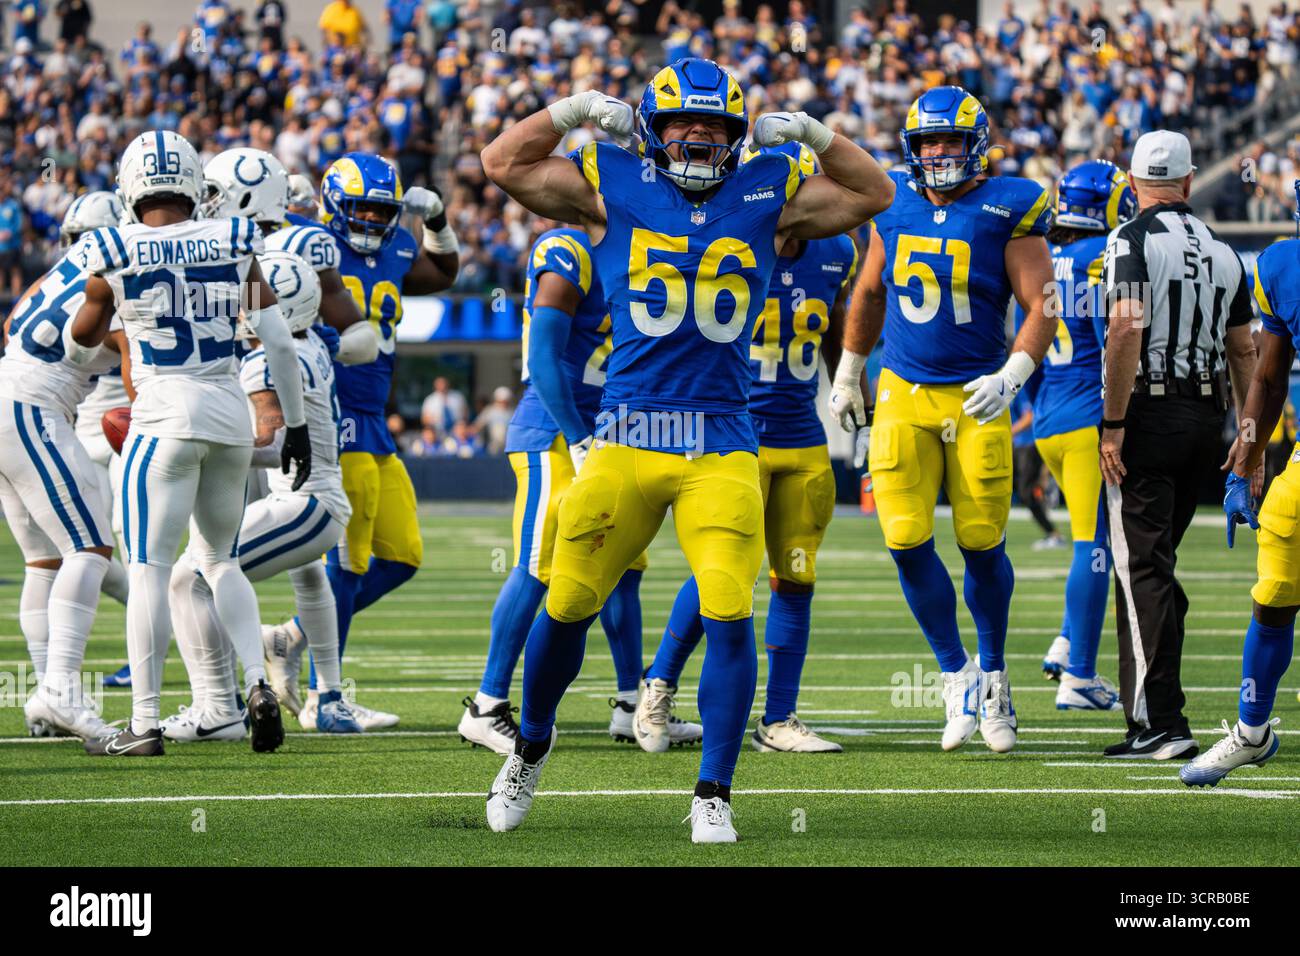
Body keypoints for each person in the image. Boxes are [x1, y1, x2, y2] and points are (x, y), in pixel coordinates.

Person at [478, 56, 893, 841]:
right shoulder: (614, 181)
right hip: (628, 436)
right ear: (652, 128)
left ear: (739, 136)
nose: (698, 136)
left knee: (729, 612)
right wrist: (571, 109)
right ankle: (529, 748)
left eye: (715, 125)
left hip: (722, 440)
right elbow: (502, 161)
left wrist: (813, 131)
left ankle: (714, 792)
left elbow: (876, 192)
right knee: (566, 604)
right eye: (681, 123)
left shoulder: (768, 192)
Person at [69, 130, 311, 757]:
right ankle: (257, 684)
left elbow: (78, 341)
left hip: (162, 420)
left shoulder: (111, 246)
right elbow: (279, 343)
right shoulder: (233, 239)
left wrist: (119, 312)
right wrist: (299, 425)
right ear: (194, 184)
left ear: (130, 187)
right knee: (221, 561)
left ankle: (144, 723)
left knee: (148, 568)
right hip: (229, 418)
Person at [832, 85, 1059, 755]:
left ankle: (994, 675)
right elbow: (869, 291)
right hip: (902, 388)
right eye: (927, 141)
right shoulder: (893, 201)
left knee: (981, 541)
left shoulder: (1007, 205)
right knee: (903, 539)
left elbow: (1040, 300)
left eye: (949, 141)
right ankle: (955, 672)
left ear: (975, 145)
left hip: (976, 393)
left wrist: (1013, 374)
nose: (937, 153)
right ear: (911, 147)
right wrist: (849, 369)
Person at [637, 142, 858, 755]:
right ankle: (657, 688)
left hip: (802, 435)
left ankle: (779, 718)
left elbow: (838, 321)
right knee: (722, 577)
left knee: (796, 576)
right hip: (734, 436)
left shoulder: (838, 249)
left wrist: (847, 379)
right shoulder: (725, 240)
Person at [457, 227, 691, 755]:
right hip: (555, 433)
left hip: (610, 434)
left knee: (626, 572)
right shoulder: (570, 249)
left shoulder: (640, 251)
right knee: (539, 567)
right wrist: (579, 437)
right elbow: (543, 358)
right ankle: (487, 706)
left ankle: (633, 705)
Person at [277, 152, 458, 730]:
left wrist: (436, 224)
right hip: (332, 404)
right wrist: (288, 209)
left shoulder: (399, 248)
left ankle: (289, 637)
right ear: (333, 204)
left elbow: (443, 273)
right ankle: (322, 698)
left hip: (375, 416)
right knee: (349, 562)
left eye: (383, 211)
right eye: (361, 209)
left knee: (402, 555)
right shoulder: (309, 240)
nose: (373, 221)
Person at [1099, 130, 1257, 760]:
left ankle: (1163, 720)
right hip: (1204, 418)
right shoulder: (1225, 252)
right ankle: (1149, 714)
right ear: (1189, 182)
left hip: (1146, 411)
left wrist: (1113, 424)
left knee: (1141, 567)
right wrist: (1251, 437)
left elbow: (1125, 328)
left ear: (1134, 185)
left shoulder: (1129, 239)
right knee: (1154, 566)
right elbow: (1244, 350)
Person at [164, 251, 362, 741]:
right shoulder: (315, 340)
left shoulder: (263, 361)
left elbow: (275, 447)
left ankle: (218, 707)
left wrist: (199, 446)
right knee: (312, 580)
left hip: (304, 504)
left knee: (193, 579)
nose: (240, 306)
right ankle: (329, 698)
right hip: (320, 503)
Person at [0, 192, 122, 742]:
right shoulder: (125, 267)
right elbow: (130, 347)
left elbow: (13, 323)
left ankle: (49, 698)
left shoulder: (68, 263)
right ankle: (59, 691)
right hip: (33, 406)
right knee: (91, 546)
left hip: (12, 392)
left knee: (43, 561)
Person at [1182, 223, 1296, 785]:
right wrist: (1248, 459)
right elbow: (1270, 378)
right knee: (1274, 588)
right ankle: (1252, 735)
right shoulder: (1281, 267)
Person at [1029, 160, 1133, 709]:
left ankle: (1068, 644)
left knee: (1085, 542)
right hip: (1086, 417)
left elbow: (1029, 346)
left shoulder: (1048, 258)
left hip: (1049, 416)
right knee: (1094, 547)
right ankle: (1082, 677)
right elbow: (1113, 342)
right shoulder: (1102, 258)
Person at [421, 374, 467, 440]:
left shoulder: (458, 397)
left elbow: (465, 412)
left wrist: (462, 425)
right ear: (435, 386)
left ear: (448, 384)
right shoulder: (430, 400)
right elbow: (424, 419)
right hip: (438, 431)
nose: (442, 386)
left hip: (458, 431)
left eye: (443, 383)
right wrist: (433, 420)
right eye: (439, 384)